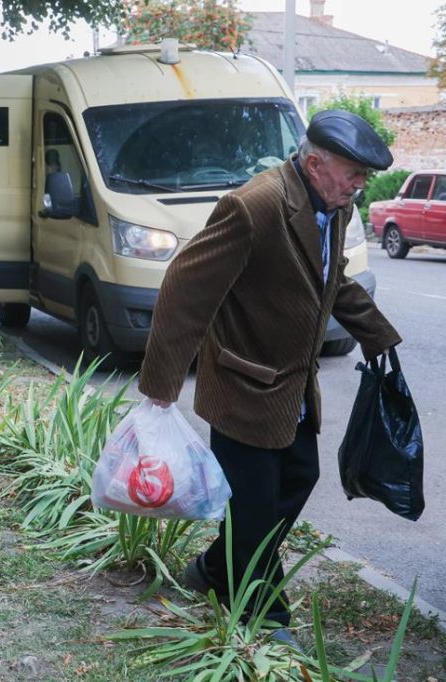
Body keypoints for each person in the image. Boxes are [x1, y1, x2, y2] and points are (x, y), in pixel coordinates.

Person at [138, 110, 402, 641]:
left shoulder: (336, 208)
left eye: (363, 176)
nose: (360, 185)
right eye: (353, 173)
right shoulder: (255, 205)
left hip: (292, 387)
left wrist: (378, 335)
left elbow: (331, 279)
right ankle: (264, 614)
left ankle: (214, 569)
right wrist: (161, 391)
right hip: (242, 383)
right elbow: (185, 289)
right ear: (314, 163)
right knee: (255, 508)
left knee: (299, 479)